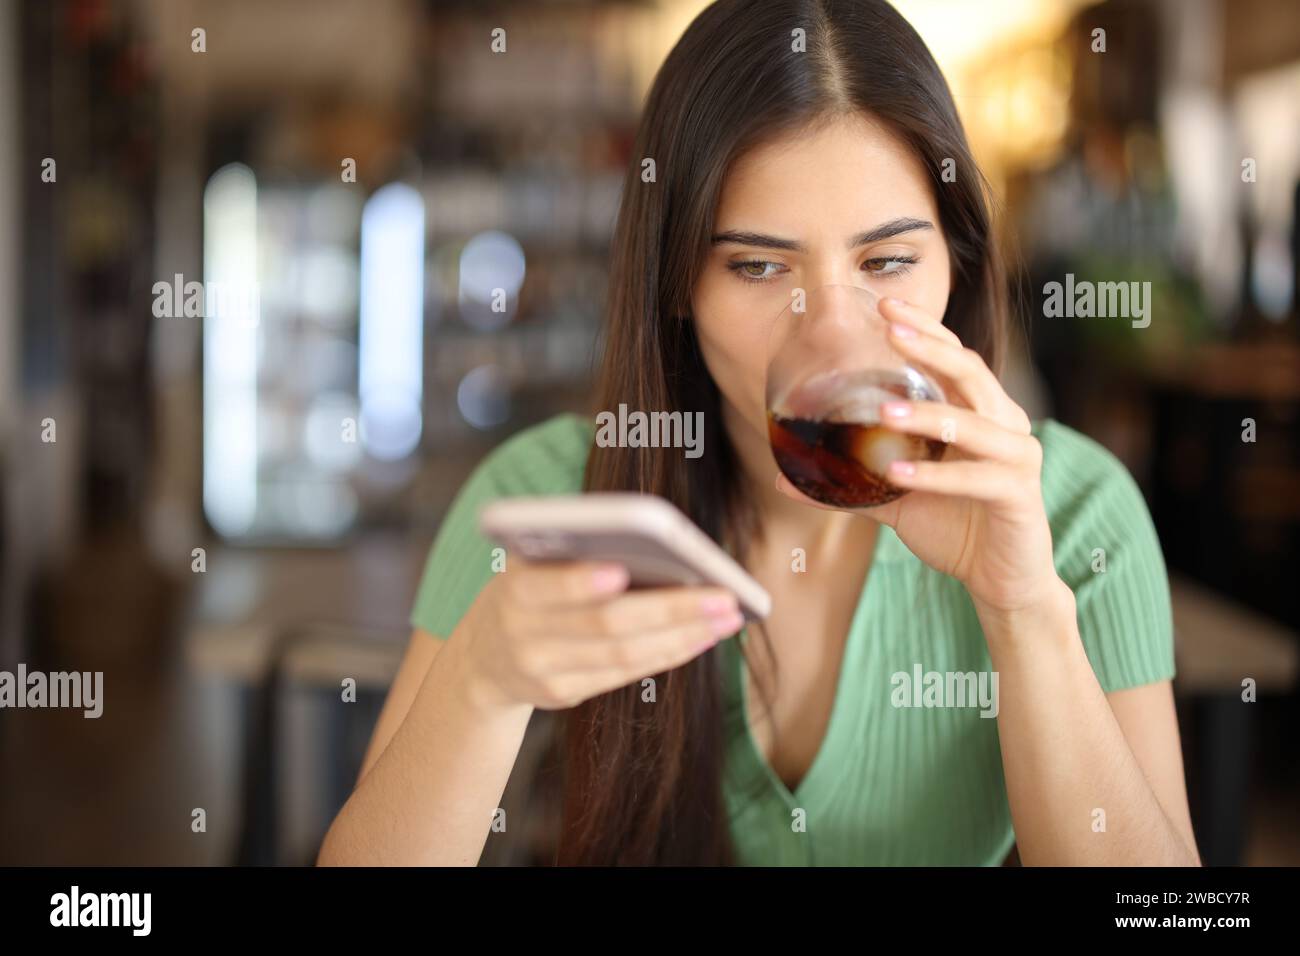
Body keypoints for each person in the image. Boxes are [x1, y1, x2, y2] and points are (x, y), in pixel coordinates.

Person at [318, 0, 1200, 866]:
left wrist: (1025, 615)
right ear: (676, 286)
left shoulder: (1074, 511)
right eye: (757, 265)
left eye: (887, 261)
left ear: (957, 264)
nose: (831, 332)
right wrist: (481, 682)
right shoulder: (549, 503)